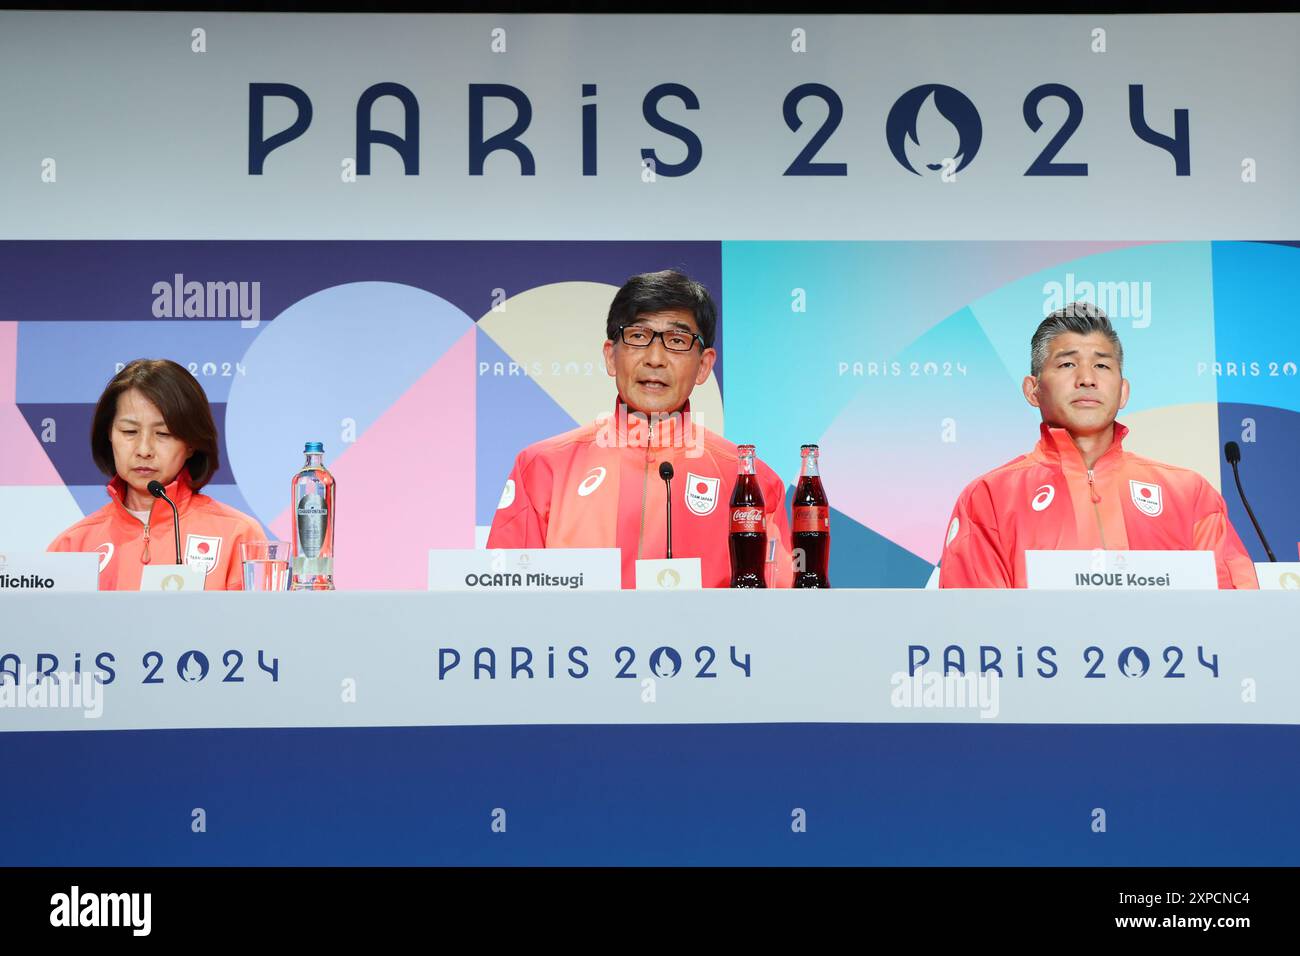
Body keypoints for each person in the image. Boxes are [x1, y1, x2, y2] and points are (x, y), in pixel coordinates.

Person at [487, 270, 792, 588]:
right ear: (610, 356)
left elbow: (780, 613)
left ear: (703, 366)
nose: (655, 358)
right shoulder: (542, 467)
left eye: (677, 341)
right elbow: (504, 605)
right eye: (638, 336)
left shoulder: (749, 480)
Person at [939, 302, 1258, 589]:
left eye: (1102, 366)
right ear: (1032, 389)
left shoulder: (1190, 494)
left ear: (1123, 391)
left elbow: (1237, 620)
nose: (1087, 379)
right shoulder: (989, 498)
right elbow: (973, 633)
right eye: (1067, 365)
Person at [48, 359, 265, 590]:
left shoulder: (238, 535)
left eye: (163, 433)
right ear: (109, 435)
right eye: (129, 431)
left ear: (191, 443)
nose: (144, 450)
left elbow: (258, 624)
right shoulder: (73, 545)